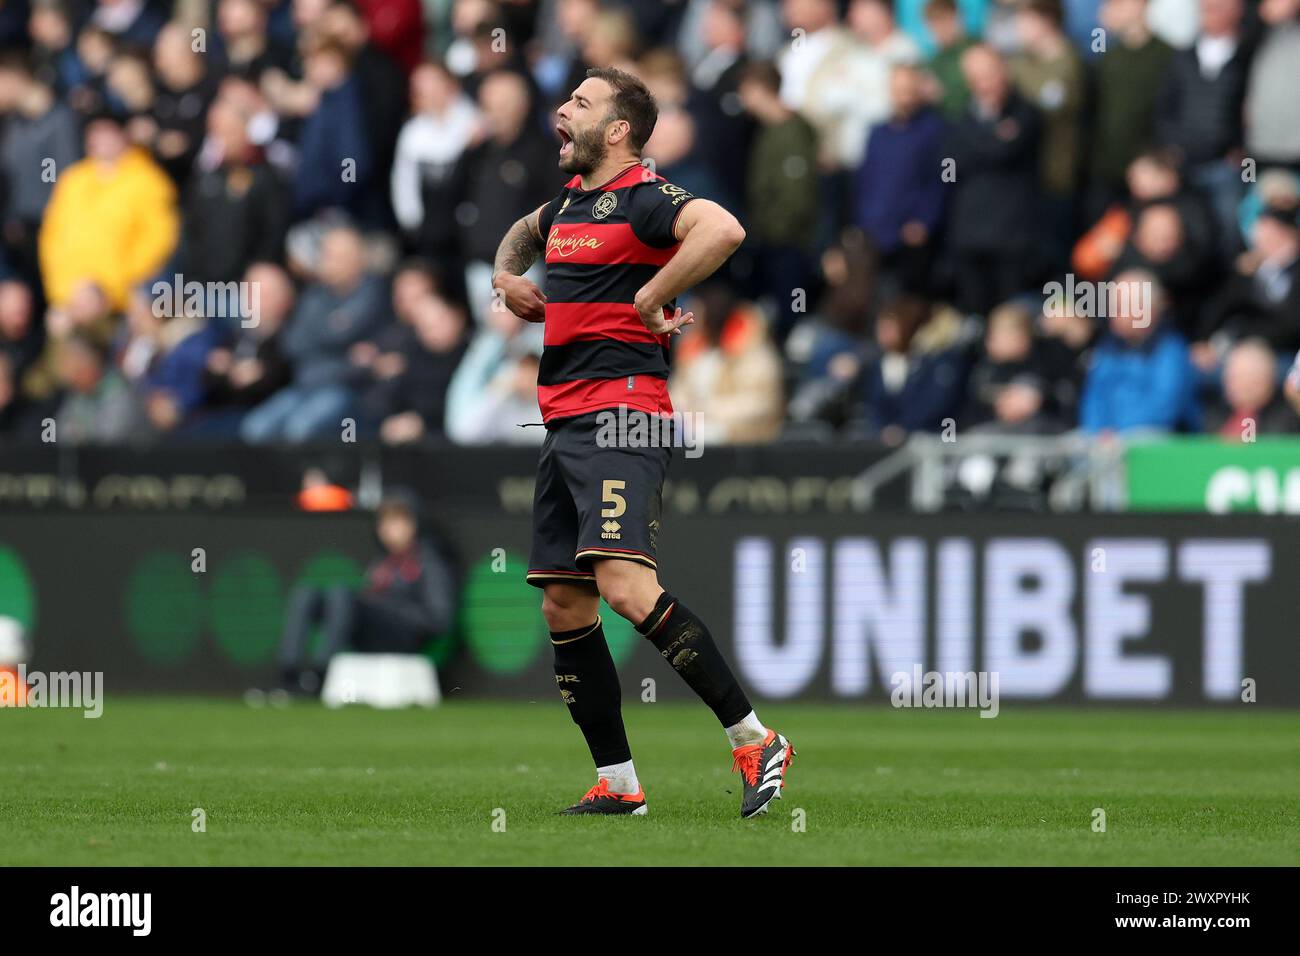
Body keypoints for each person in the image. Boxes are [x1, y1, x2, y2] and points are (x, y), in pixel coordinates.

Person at [490, 66, 795, 818]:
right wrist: (507, 277)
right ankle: (618, 783)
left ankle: (756, 738)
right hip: (563, 420)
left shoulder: (648, 199)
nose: (562, 110)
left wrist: (653, 293)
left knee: (625, 588)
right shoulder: (566, 205)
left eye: (581, 104)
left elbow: (724, 229)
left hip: (622, 415)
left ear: (619, 130)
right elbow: (518, 238)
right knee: (565, 604)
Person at [276, 491, 457, 694]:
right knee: (307, 593)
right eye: (385, 523)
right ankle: (288, 674)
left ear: (413, 525)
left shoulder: (429, 562)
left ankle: (320, 674)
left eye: (396, 522)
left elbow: (439, 620)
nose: (389, 529)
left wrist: (391, 609)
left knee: (340, 593)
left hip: (402, 636)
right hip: (370, 632)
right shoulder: (381, 563)